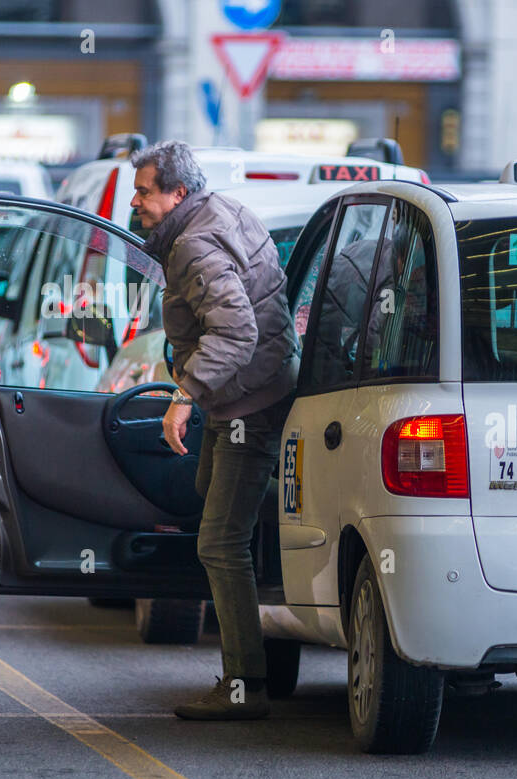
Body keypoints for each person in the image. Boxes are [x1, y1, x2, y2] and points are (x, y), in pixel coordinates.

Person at [130, 140, 300, 720]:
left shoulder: (195, 244)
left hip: (250, 404)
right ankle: (280, 569)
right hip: (254, 393)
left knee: (219, 540)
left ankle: (244, 686)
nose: (136, 201)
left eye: (145, 191)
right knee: (211, 493)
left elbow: (235, 333)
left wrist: (183, 397)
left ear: (177, 192)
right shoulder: (220, 210)